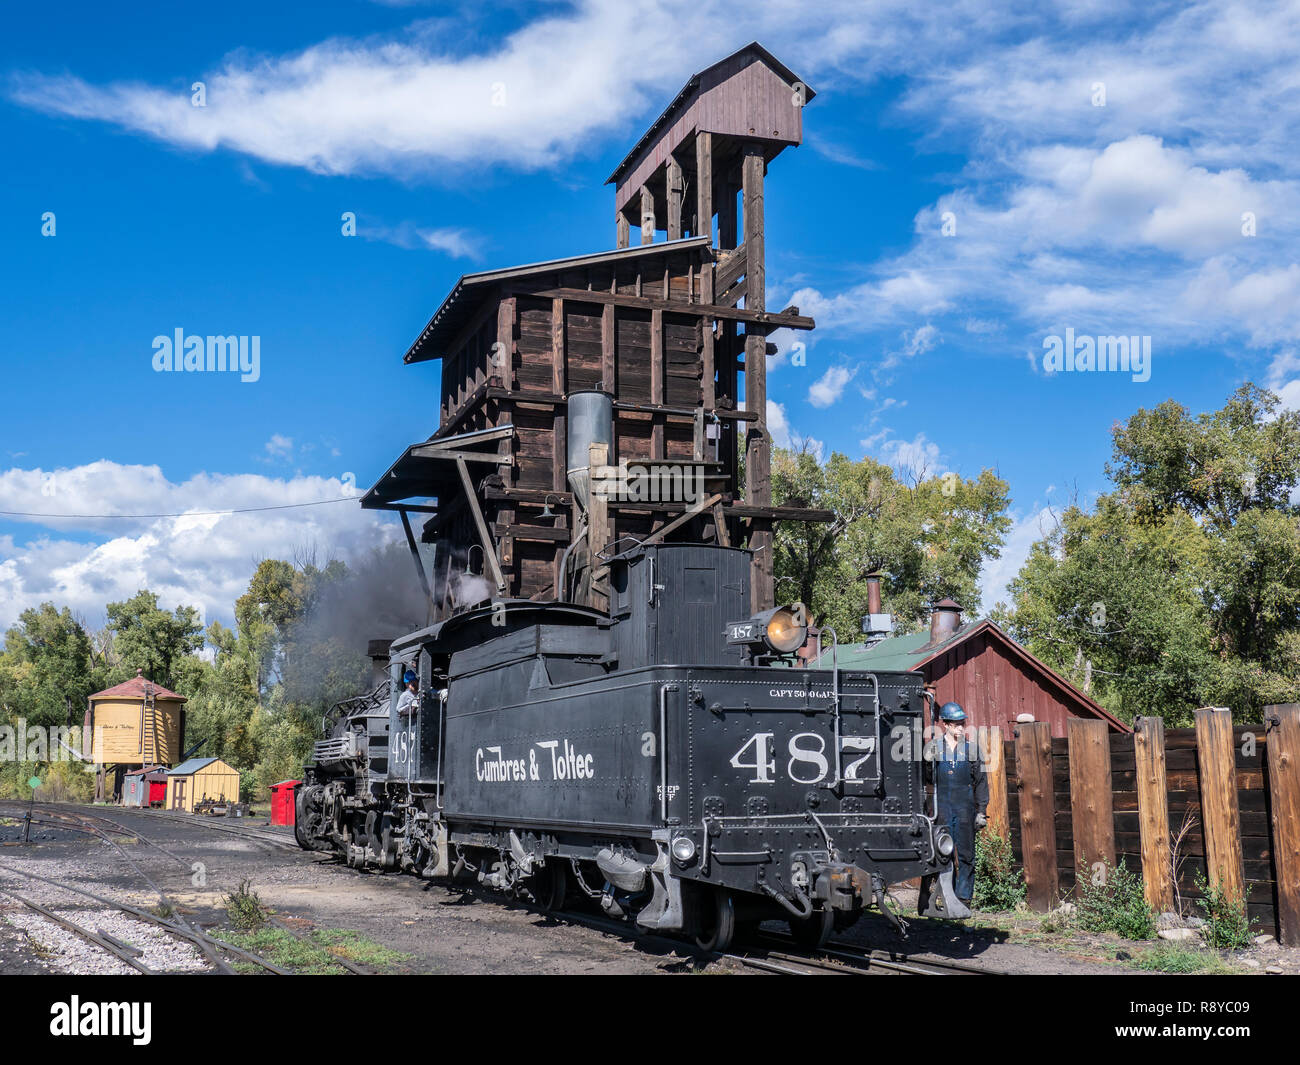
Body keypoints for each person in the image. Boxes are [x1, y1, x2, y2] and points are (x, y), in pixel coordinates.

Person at [926, 701, 988, 908]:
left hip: (965, 809)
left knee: (967, 855)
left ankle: (964, 899)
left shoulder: (972, 750)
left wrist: (981, 811)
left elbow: (981, 782)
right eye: (956, 724)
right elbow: (924, 779)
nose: (961, 727)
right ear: (945, 724)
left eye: (962, 723)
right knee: (944, 855)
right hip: (941, 808)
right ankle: (947, 896)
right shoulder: (933, 748)